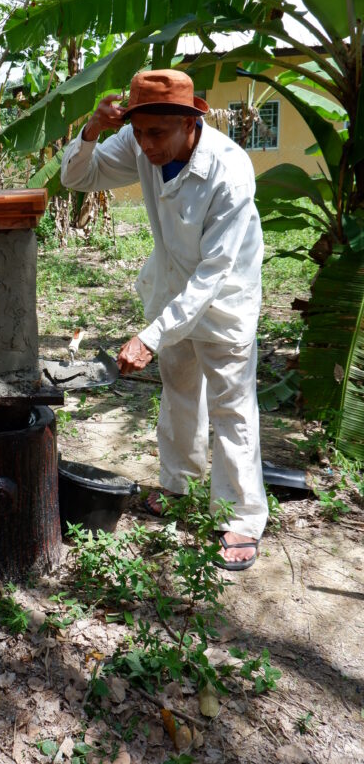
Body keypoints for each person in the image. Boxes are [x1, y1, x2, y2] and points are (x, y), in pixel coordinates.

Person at [60, 68, 267, 572]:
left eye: (158, 133)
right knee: (178, 396)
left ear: (189, 121)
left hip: (223, 300)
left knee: (231, 407)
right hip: (171, 291)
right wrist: (91, 132)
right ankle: (179, 488)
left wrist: (148, 336)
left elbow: (214, 272)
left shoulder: (229, 169)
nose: (147, 145)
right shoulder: (137, 143)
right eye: (139, 131)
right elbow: (76, 177)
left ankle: (241, 516)